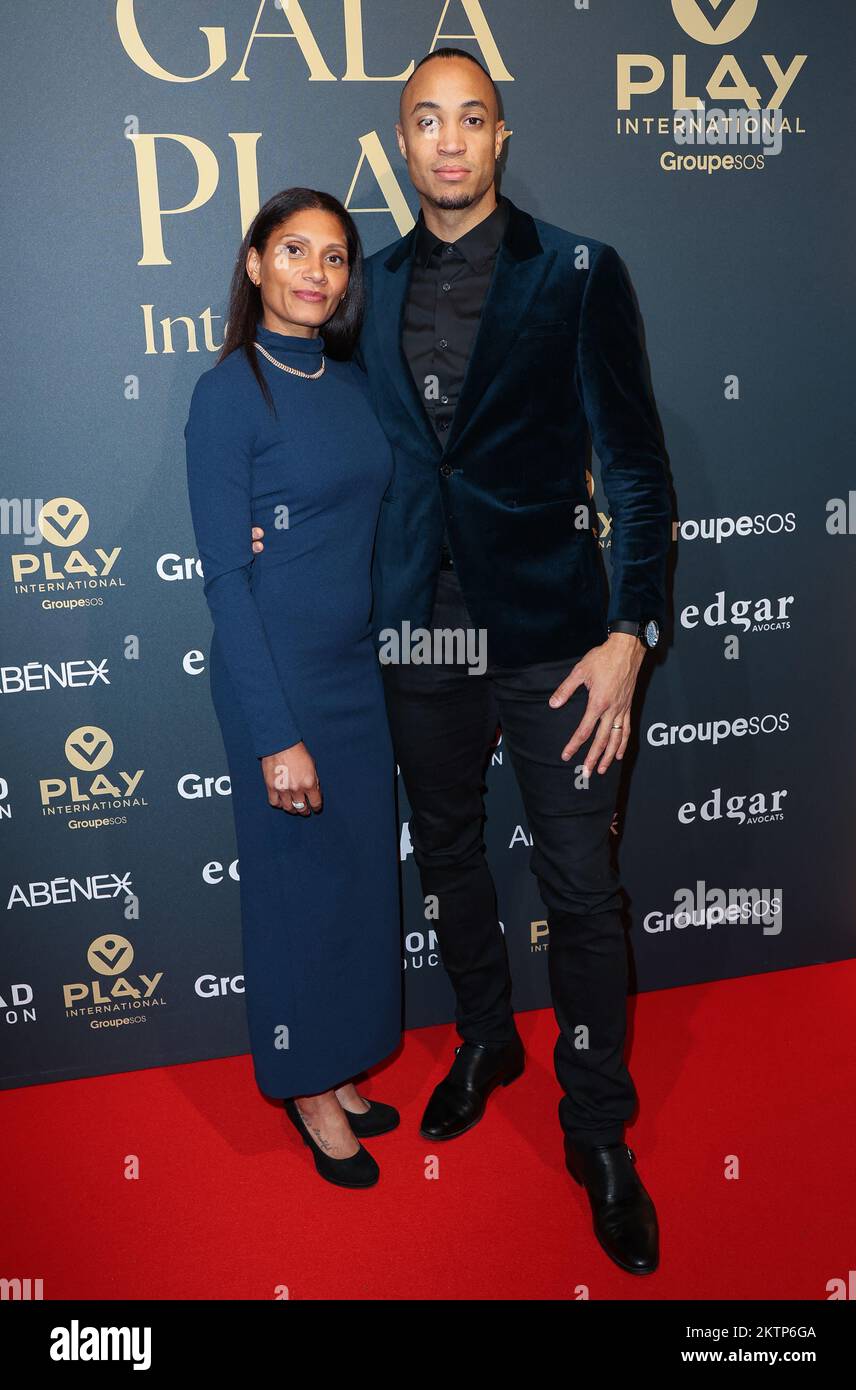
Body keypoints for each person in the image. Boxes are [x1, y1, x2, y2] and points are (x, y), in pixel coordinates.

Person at [253, 49, 671, 1272]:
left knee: (582, 891)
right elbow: (308, 425)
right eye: (423, 122)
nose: (446, 142)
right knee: (446, 851)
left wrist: (627, 636)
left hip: (551, 636)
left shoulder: (580, 272)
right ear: (399, 144)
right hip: (417, 631)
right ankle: (486, 1034)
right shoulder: (364, 287)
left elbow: (636, 472)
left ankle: (598, 1131)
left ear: (499, 137)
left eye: (469, 120)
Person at [185, 188, 402, 1190]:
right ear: (256, 263)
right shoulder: (228, 391)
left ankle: (345, 1059)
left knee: (356, 877)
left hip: (353, 672)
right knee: (293, 888)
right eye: (295, 250)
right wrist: (276, 732)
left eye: (335, 256)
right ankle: (306, 1085)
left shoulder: (352, 384)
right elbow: (226, 573)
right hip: (275, 680)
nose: (316, 270)